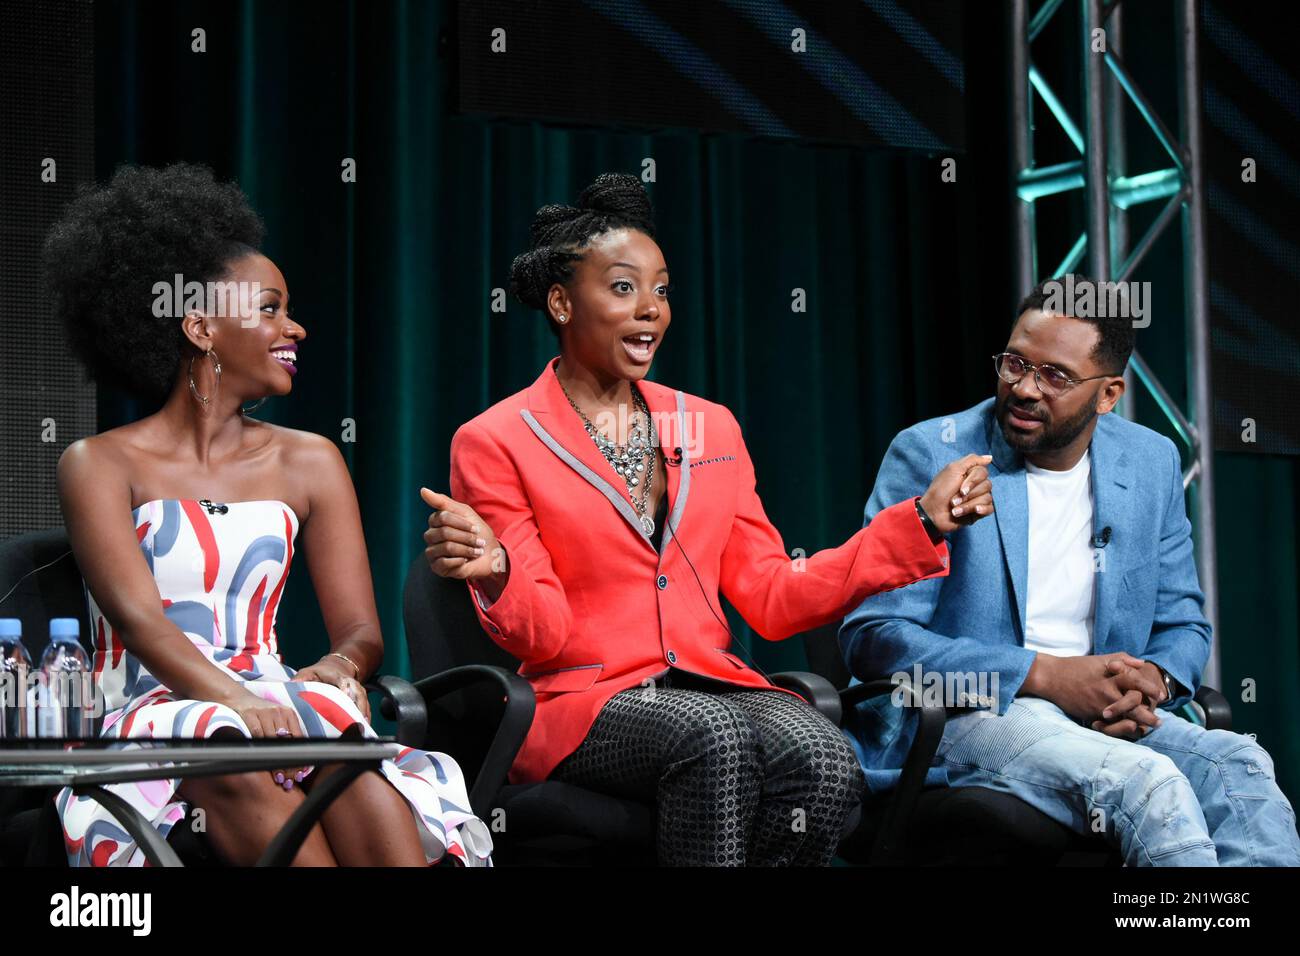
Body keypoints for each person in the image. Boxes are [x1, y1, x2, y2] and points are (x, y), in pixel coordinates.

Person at [420, 172, 994, 865]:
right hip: (582, 703)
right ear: (564, 302)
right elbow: (543, 637)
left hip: (708, 683)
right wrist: (501, 569)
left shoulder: (709, 426)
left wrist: (920, 525)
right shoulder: (497, 438)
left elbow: (776, 599)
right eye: (624, 288)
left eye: (661, 290)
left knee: (823, 756)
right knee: (712, 736)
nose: (650, 311)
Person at [45, 163, 491, 867]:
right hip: (163, 708)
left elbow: (359, 631)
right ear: (200, 326)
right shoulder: (98, 463)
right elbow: (140, 622)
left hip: (277, 698)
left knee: (364, 786)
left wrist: (338, 666)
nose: (297, 328)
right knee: (235, 759)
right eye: (271, 308)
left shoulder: (311, 460)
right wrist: (233, 702)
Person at [839, 275, 1300, 866]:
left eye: (1054, 376)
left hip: (1100, 723)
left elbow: (1183, 621)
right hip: (964, 714)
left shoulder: (1151, 461)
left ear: (1108, 395)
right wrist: (1047, 675)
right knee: (1150, 786)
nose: (1024, 389)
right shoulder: (932, 452)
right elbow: (874, 638)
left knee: (1241, 769)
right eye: (1014, 364)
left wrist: (1148, 682)